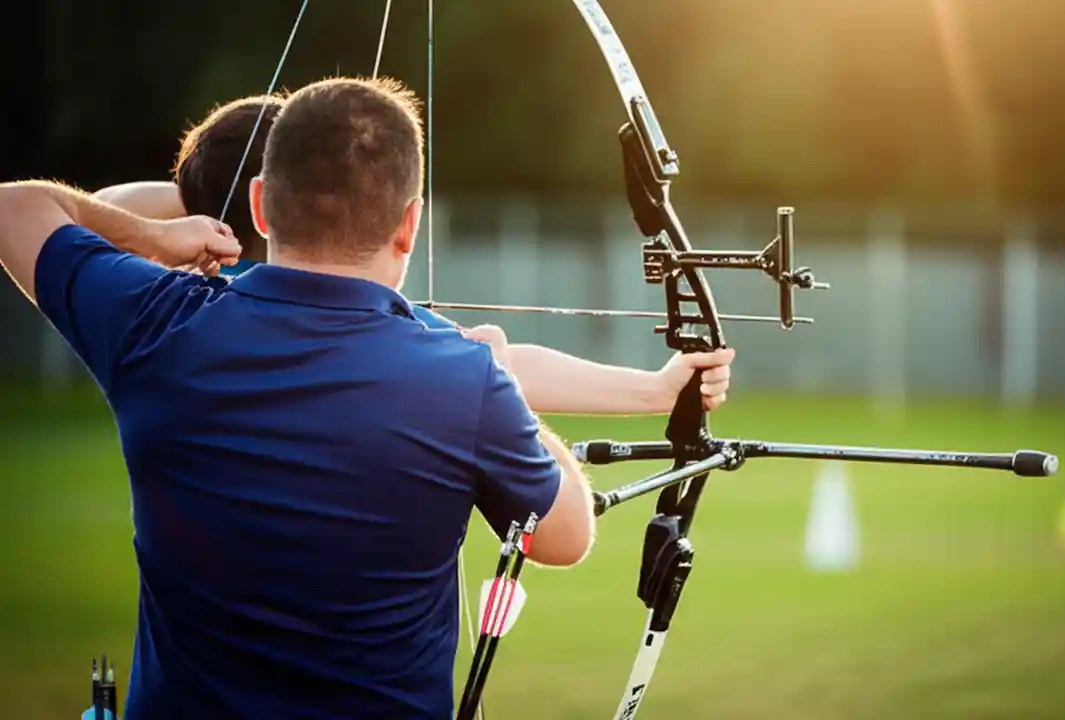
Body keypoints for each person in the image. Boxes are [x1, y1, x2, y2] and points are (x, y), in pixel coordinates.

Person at [0, 76, 727, 719]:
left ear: (259, 203)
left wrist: (155, 234)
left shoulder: (157, 323)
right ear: (411, 223)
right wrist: (500, 386)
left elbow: (16, 210)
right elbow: (565, 537)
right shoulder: (460, 377)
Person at [95, 94, 736, 416]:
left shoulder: (164, 323)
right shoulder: (377, 329)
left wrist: (184, 215)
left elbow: (84, 213)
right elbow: (561, 533)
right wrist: (656, 392)